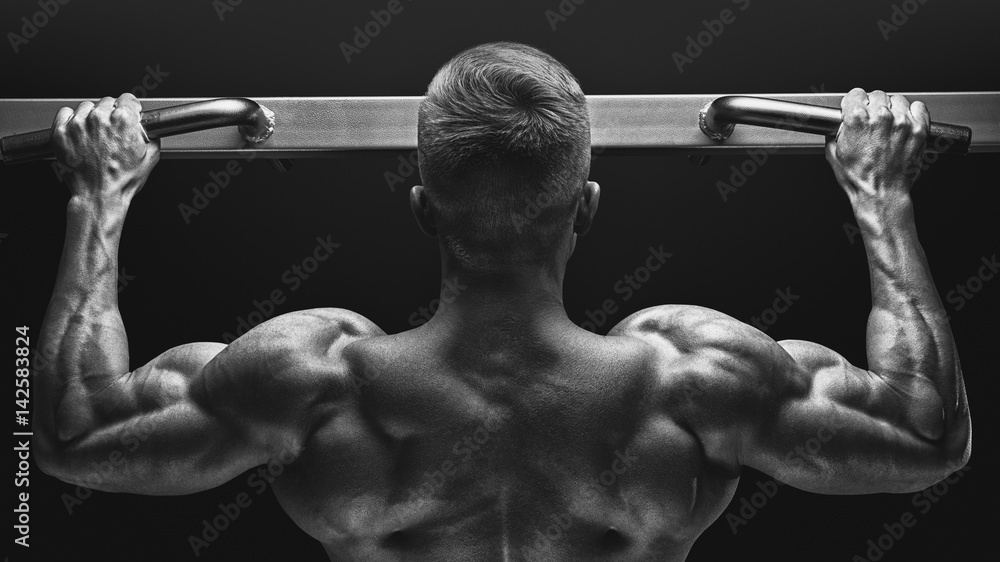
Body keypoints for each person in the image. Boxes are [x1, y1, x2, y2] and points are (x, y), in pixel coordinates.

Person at [33, 42, 970, 561]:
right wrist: (880, 197)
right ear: (587, 211)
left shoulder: (316, 381)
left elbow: (78, 436)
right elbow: (925, 437)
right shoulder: (689, 378)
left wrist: (99, 195)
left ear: (419, 209)